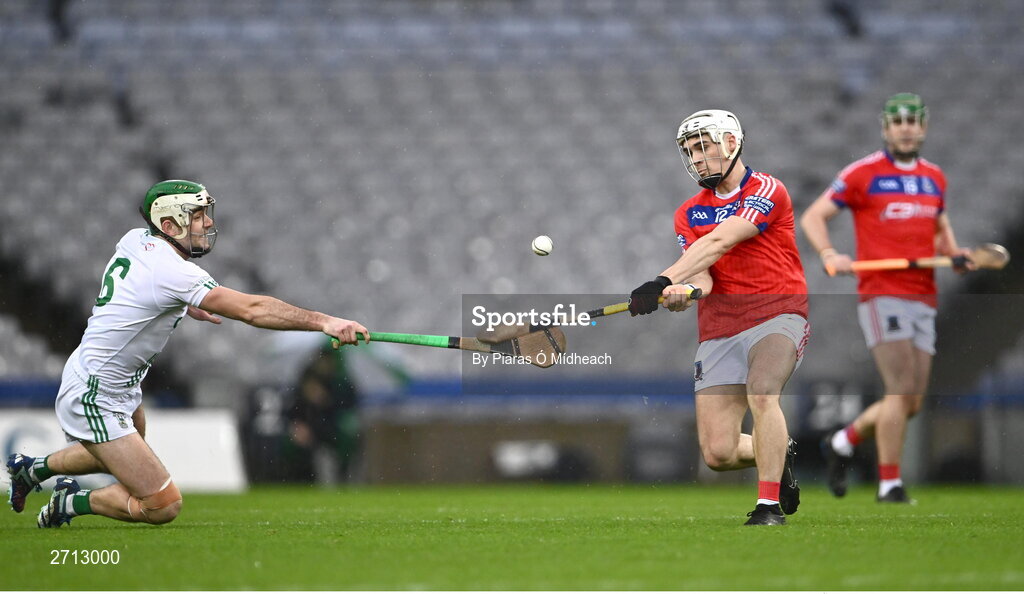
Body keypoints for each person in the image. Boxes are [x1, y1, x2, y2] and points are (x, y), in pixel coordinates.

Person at [6, 179, 370, 528]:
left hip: (115, 384)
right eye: (197, 215)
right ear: (168, 223)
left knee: (108, 452)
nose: (208, 222)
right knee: (162, 505)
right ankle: (70, 503)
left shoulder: (137, 240)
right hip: (95, 392)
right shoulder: (169, 271)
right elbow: (253, 309)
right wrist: (325, 322)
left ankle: (34, 469)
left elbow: (139, 289)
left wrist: (181, 304)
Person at [629, 109, 809, 525]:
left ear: (731, 142)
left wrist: (660, 279)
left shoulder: (767, 189)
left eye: (703, 146)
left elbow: (722, 240)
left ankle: (767, 507)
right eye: (690, 151)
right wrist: (681, 293)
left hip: (776, 313)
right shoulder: (688, 213)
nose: (696, 158)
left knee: (763, 393)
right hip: (720, 328)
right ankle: (780, 451)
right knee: (719, 453)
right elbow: (705, 278)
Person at [800, 93, 972, 503]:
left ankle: (843, 440)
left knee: (911, 401)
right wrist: (829, 254)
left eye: (914, 119)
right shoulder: (863, 173)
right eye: (898, 120)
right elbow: (813, 216)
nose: (907, 127)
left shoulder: (934, 177)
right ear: (886, 128)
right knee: (898, 390)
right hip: (882, 294)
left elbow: (940, 227)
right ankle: (889, 483)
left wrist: (954, 254)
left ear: (924, 127)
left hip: (924, 297)